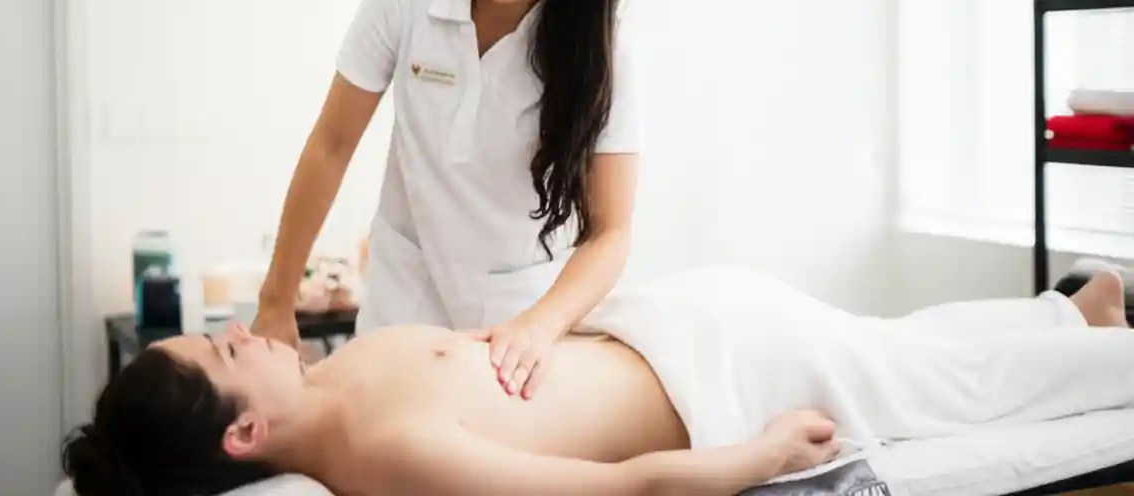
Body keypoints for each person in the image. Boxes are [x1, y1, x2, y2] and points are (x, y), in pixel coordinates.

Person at [62, 267, 1134, 496]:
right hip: (717, 381)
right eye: (219, 354)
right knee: (933, 378)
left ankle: (1063, 316)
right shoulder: (381, 457)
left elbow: (505, 346)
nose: (239, 335)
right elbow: (615, 494)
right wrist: (758, 456)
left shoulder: (357, 365)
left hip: (667, 321)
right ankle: (1088, 339)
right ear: (241, 436)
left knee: (895, 343)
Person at [251, 0, 640, 400]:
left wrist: (538, 328)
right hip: (401, 303)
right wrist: (276, 302)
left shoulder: (602, 54)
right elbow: (331, 146)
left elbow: (611, 232)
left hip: (517, 327)